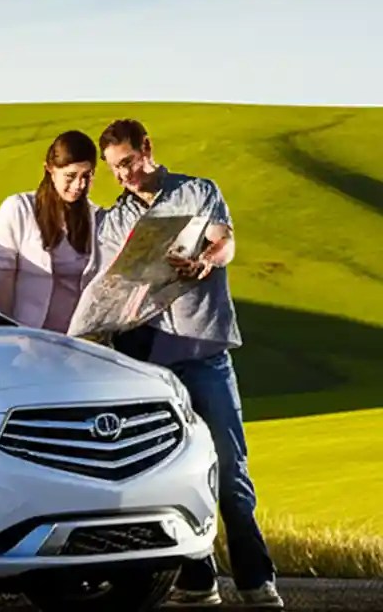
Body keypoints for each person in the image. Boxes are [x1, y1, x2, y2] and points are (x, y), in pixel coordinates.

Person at [93, 118, 283, 609]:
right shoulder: (114, 220)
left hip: (204, 353)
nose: (125, 176)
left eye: (130, 163)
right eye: (115, 170)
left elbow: (226, 242)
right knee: (175, 475)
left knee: (232, 470)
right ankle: (199, 581)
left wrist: (207, 261)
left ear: (147, 149)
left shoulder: (197, 191)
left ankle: (256, 581)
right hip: (150, 365)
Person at [0, 130, 103, 333]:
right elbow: (2, 278)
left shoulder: (97, 218)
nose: (79, 185)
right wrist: (3, 330)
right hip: (26, 335)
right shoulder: (19, 209)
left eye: (87, 176)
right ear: (50, 169)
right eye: (70, 176)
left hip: (75, 340)